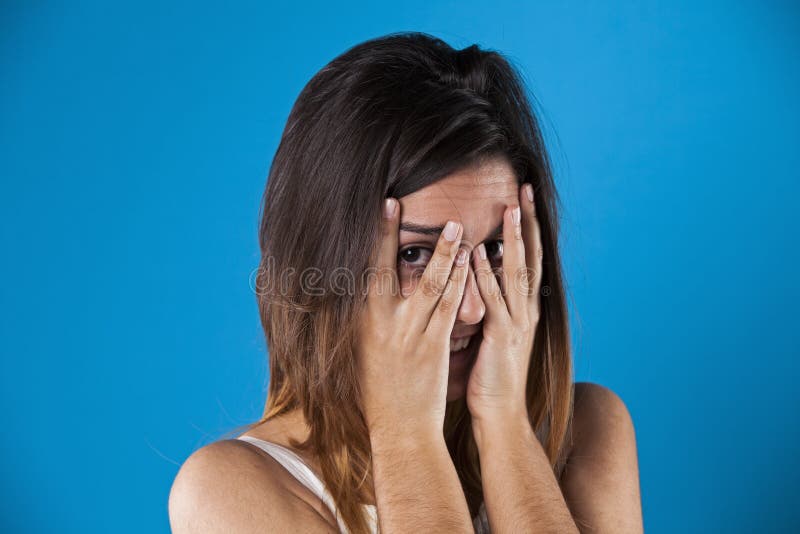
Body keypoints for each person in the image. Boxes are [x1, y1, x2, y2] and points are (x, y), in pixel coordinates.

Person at [168, 31, 643, 533]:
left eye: (497, 249)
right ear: (325, 265)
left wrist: (505, 425)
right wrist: (405, 435)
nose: (473, 309)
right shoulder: (230, 490)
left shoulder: (587, 431)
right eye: (417, 255)